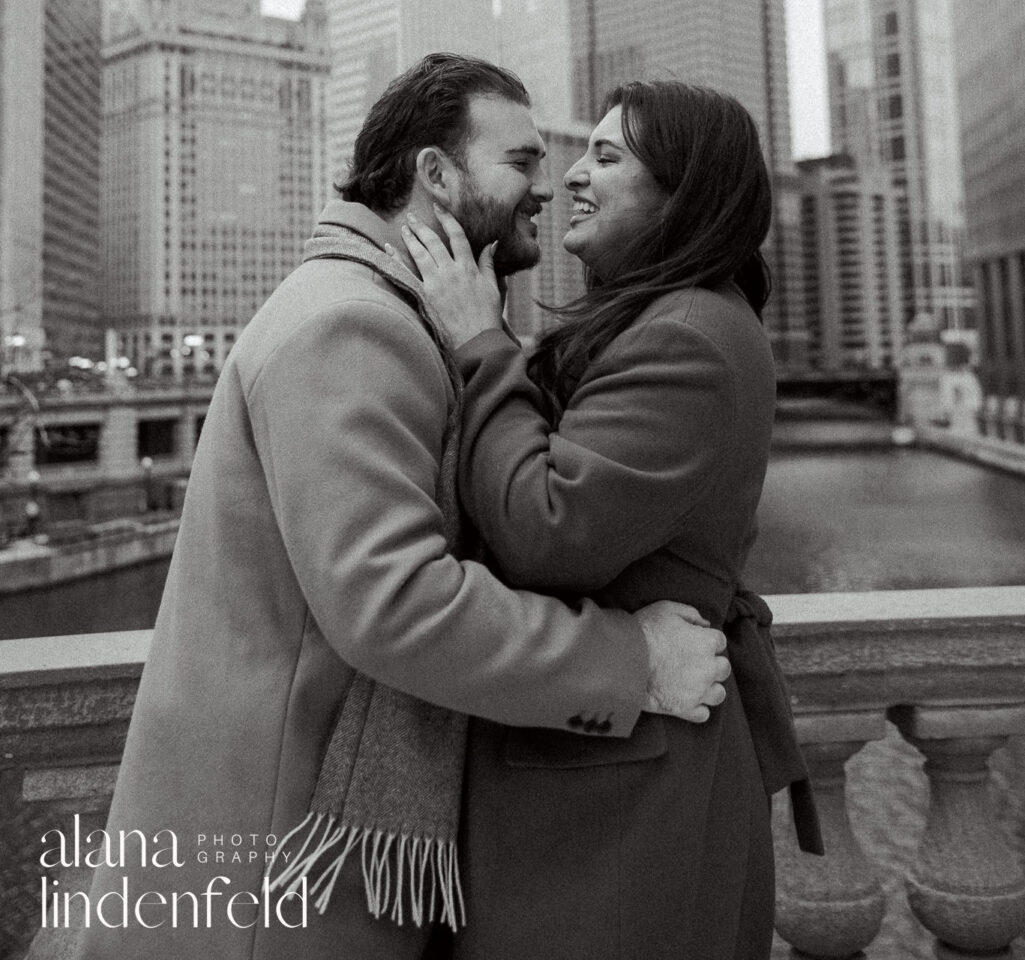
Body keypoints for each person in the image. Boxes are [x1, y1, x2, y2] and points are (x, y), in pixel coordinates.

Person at [74, 57, 730, 960]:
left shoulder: (377, 308)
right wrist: (630, 662)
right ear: (434, 175)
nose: (547, 187)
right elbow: (393, 602)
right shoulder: (354, 326)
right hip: (276, 865)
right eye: (521, 164)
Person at [401, 80, 823, 960]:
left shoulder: (688, 335)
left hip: (628, 795)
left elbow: (548, 528)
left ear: (684, 190)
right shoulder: (659, 320)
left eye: (606, 156)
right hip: (603, 764)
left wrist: (482, 344)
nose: (570, 179)